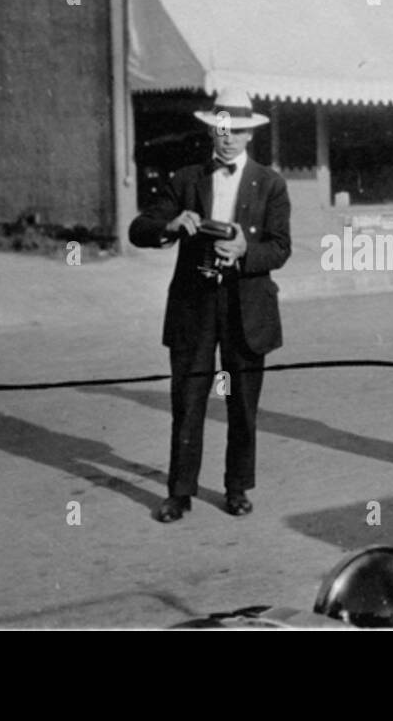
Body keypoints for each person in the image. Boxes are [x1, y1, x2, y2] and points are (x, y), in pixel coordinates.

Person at [128, 89, 291, 522]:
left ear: (249, 134)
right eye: (222, 130)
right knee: (188, 401)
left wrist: (243, 251)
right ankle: (179, 492)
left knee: (242, 405)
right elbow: (138, 229)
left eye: (237, 131)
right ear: (211, 130)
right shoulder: (186, 179)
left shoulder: (270, 183)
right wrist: (170, 224)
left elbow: (280, 248)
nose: (228, 139)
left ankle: (236, 488)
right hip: (193, 305)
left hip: (246, 306)